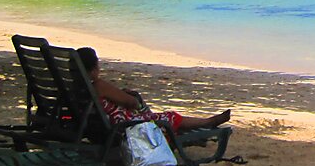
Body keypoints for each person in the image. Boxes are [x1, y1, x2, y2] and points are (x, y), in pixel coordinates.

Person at [76, 47, 230, 131]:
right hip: (120, 127)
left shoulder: (76, 87)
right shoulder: (97, 85)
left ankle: (203, 124)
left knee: (155, 115)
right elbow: (132, 103)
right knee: (169, 117)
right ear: (94, 68)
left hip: (93, 127)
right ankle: (207, 122)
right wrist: (127, 98)